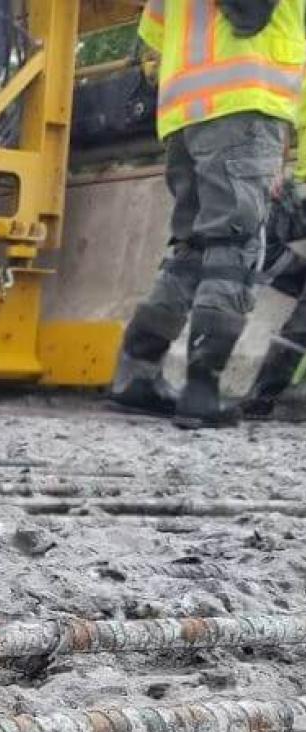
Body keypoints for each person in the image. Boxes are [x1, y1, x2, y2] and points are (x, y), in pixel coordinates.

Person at [109, 0, 305, 428]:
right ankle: (202, 386)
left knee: (191, 247)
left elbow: (155, 32)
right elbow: (252, 14)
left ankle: (136, 373)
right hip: (245, 100)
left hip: (184, 110)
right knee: (234, 245)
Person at [244, 115, 306, 416]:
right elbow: (282, 118)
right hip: (301, 189)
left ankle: (268, 392)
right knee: (248, 237)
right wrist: (277, 168)